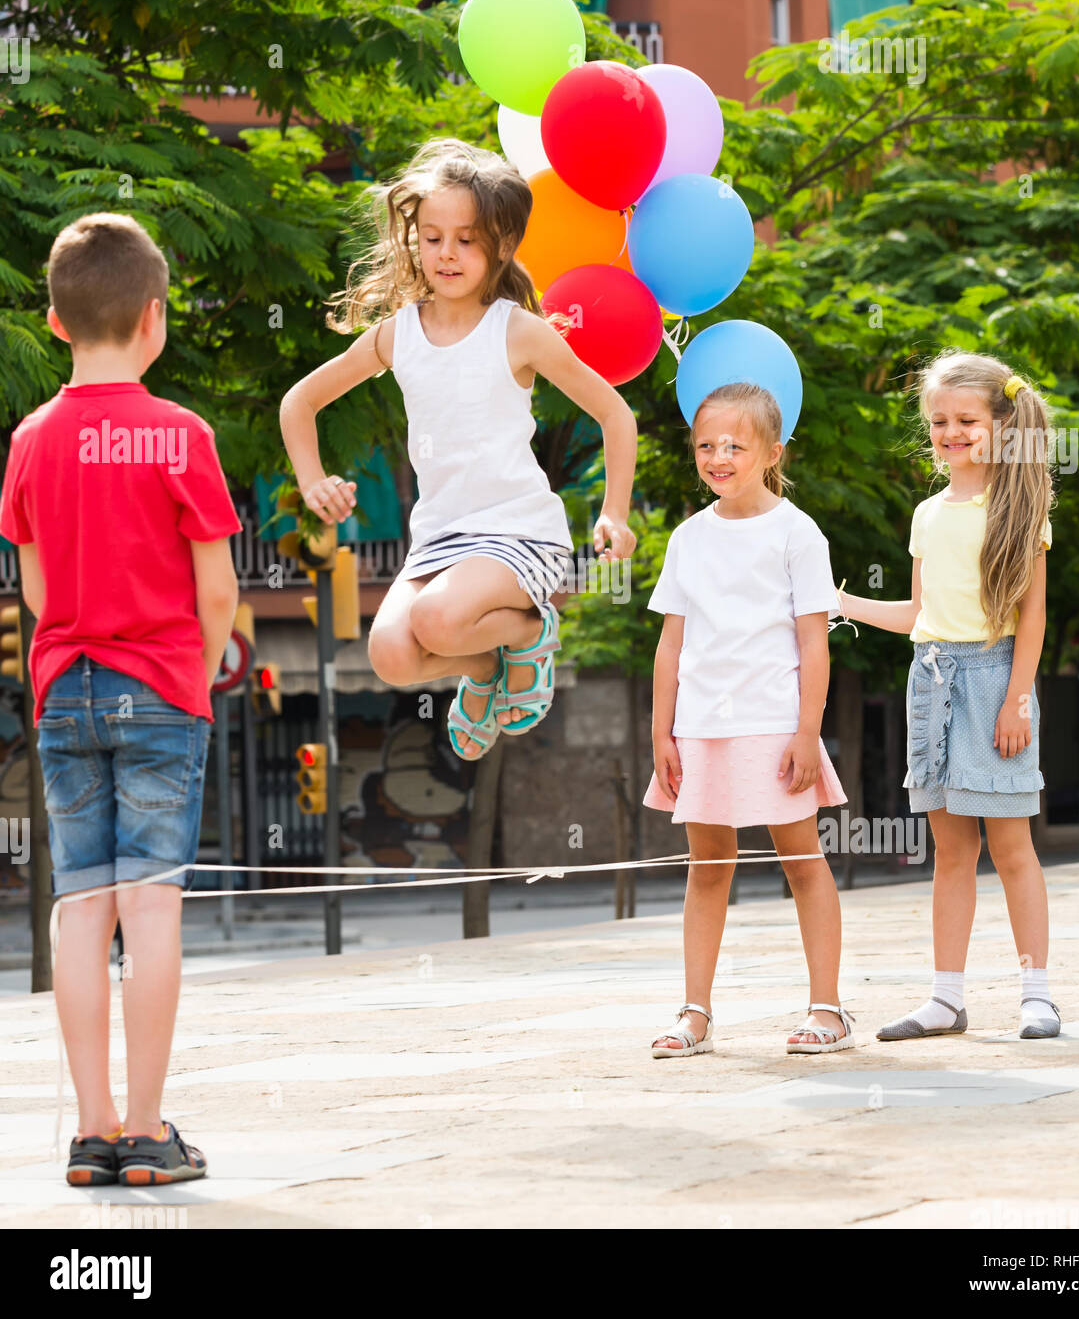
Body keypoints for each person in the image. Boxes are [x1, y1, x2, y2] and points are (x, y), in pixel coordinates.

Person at [0, 212, 242, 1183]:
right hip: (160, 688)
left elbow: (35, 588)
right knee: (151, 907)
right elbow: (217, 589)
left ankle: (91, 1129)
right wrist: (196, 673)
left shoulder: (30, 439)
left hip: (65, 690)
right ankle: (147, 1131)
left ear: (57, 323)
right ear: (154, 318)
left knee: (81, 905)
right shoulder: (181, 436)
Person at [280, 138, 637, 761]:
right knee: (390, 655)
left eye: (467, 240)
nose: (447, 252)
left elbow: (615, 413)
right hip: (441, 538)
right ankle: (487, 668)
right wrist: (313, 481)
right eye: (433, 237)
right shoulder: (397, 335)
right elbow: (299, 402)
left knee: (435, 621)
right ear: (414, 240)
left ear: (501, 245)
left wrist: (614, 513)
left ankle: (531, 631)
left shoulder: (518, 331)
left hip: (519, 535)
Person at [839, 351, 1058, 1040]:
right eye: (939, 421)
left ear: (1001, 424)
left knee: (1012, 846)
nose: (950, 432)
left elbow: (1032, 618)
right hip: (931, 682)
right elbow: (918, 614)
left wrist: (1017, 699)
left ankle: (1037, 995)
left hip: (995, 680)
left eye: (966, 419)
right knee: (951, 851)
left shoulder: (1021, 510)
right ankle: (946, 999)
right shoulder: (927, 514)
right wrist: (842, 603)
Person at [643, 382, 855, 1057]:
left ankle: (828, 1010)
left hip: (774, 724)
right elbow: (671, 644)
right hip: (700, 728)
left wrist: (806, 732)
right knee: (707, 868)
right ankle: (695, 1014)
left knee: (802, 860)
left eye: (735, 445)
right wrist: (662, 732)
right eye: (706, 445)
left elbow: (814, 642)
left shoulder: (798, 532)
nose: (718, 457)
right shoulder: (687, 537)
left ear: (772, 452)